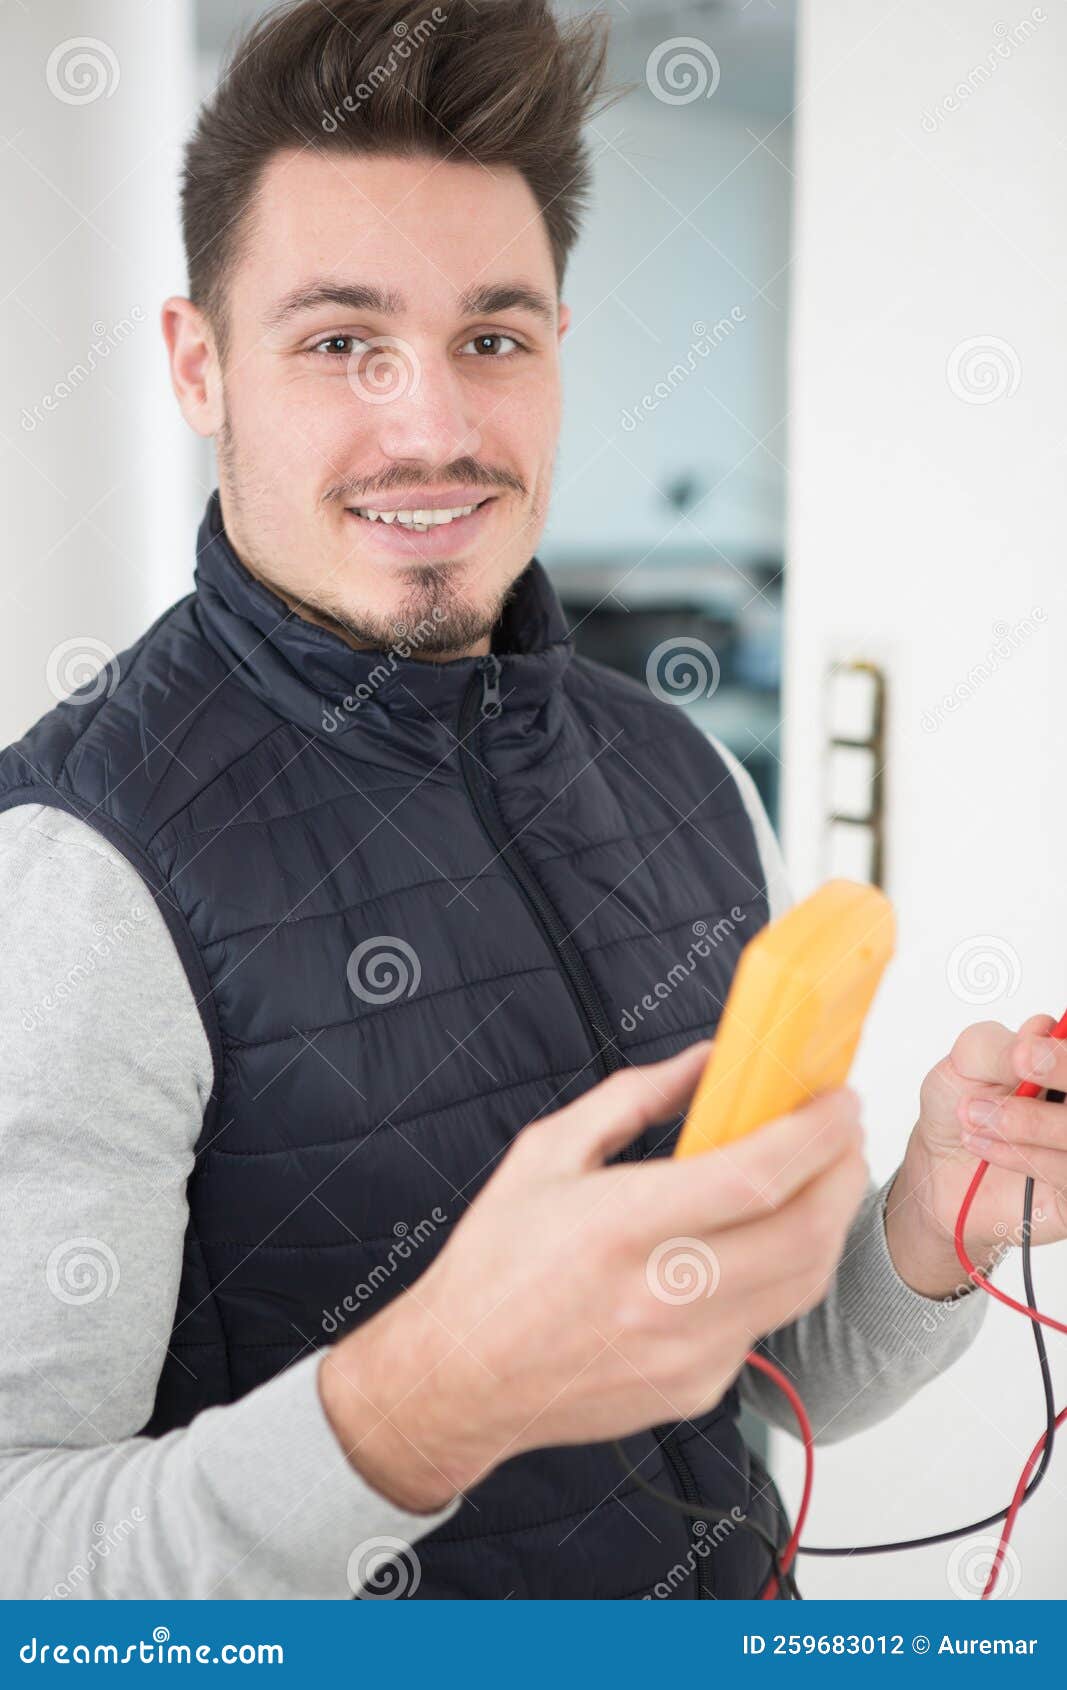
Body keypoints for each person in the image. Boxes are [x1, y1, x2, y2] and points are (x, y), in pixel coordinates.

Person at [2, 0, 1065, 1602]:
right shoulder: (78, 871)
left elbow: (755, 1372)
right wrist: (419, 1403)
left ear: (557, 349)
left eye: (489, 338)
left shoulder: (691, 777)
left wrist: (929, 1217)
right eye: (341, 340)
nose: (430, 425)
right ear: (201, 364)